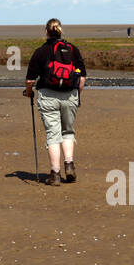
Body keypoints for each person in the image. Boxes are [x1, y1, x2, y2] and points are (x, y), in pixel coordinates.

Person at [22, 18, 86, 186]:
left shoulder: (40, 52)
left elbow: (30, 80)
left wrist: (29, 93)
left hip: (48, 96)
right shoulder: (73, 49)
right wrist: (76, 94)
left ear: (46, 31)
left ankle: (55, 174)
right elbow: (82, 77)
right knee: (68, 131)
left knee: (53, 135)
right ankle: (69, 165)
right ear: (60, 30)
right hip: (70, 95)